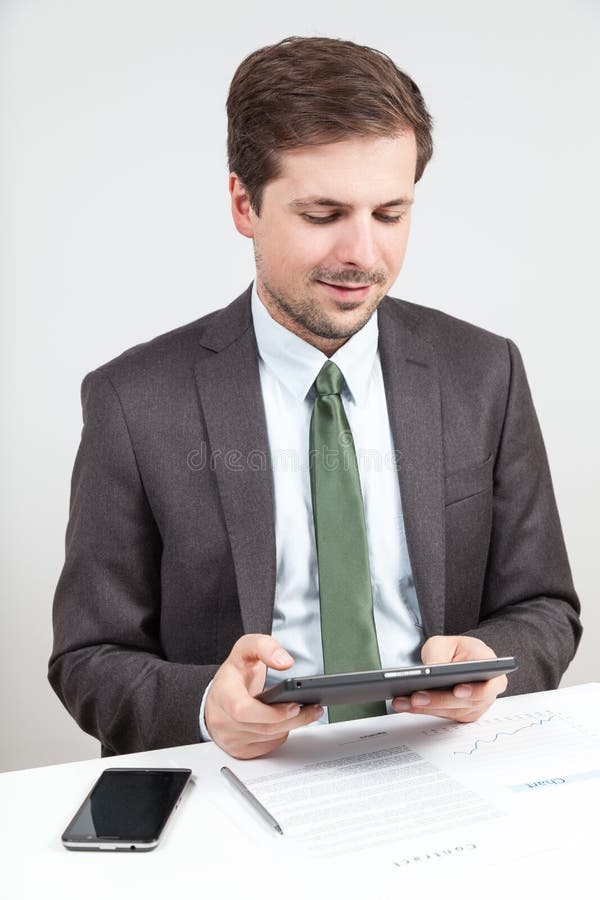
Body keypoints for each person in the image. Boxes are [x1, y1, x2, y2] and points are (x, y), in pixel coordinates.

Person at [48, 36, 581, 761]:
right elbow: (88, 659)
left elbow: (546, 608)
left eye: (390, 214)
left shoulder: (485, 371)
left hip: (445, 773)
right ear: (244, 203)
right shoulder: (133, 400)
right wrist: (210, 707)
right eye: (324, 214)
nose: (363, 253)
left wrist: (487, 660)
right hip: (245, 784)